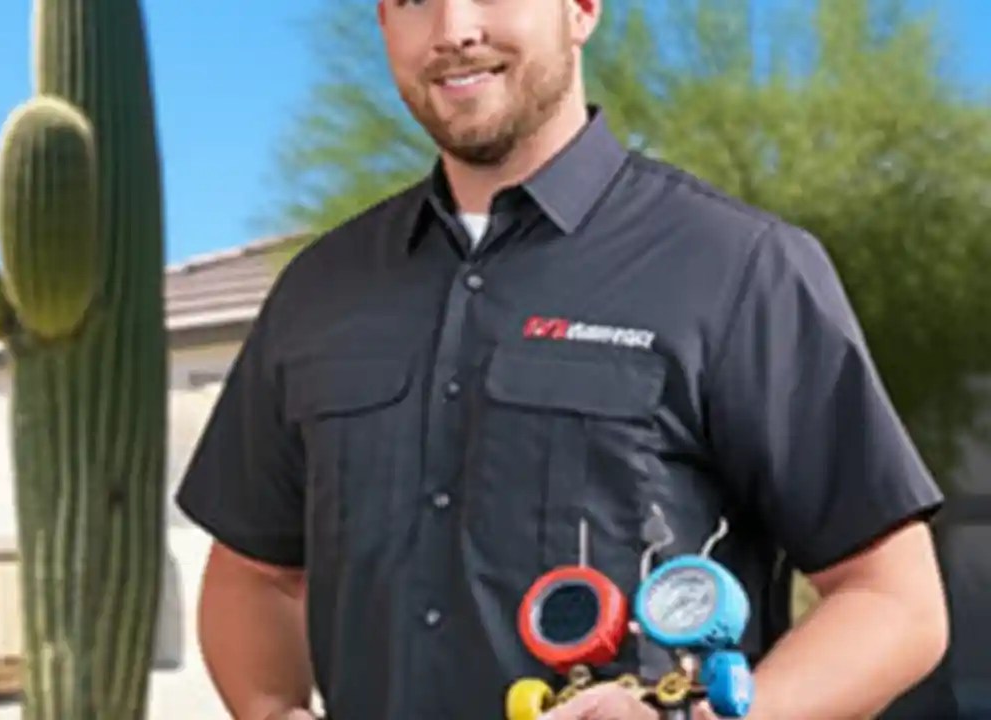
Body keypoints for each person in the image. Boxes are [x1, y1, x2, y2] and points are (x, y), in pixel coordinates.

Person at [173, 0, 951, 717]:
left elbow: (894, 603)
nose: (453, 29)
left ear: (580, 8)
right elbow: (257, 575)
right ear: (384, 22)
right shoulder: (320, 290)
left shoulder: (739, 267)